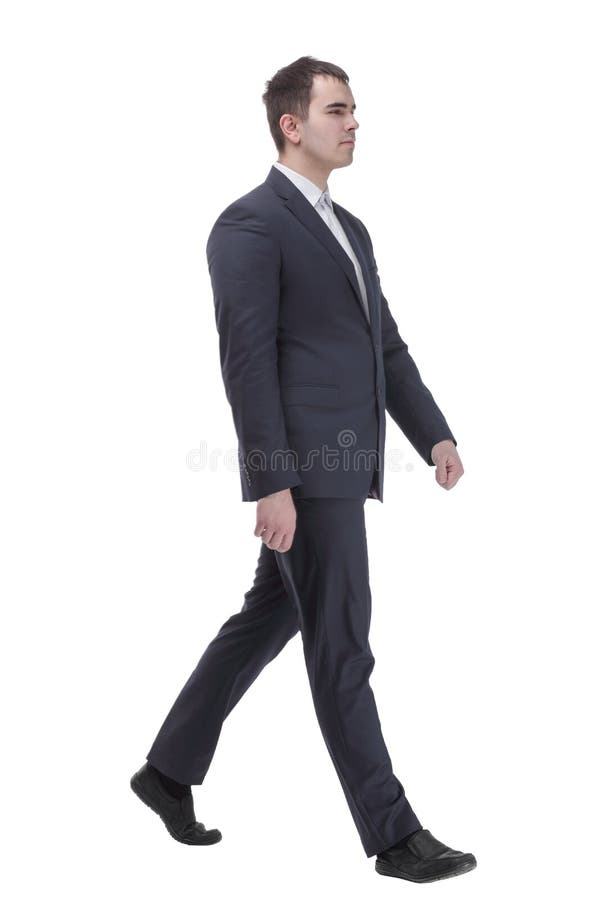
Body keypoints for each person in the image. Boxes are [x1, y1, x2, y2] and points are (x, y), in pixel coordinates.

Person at [130, 55, 476, 883]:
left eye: (355, 110)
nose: (354, 122)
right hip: (308, 474)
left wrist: (433, 435)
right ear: (293, 124)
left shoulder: (350, 230)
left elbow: (383, 345)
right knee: (342, 646)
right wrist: (271, 483)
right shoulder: (248, 226)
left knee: (267, 617)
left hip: (340, 464)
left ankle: (167, 771)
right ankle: (393, 836)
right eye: (338, 109)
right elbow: (246, 362)